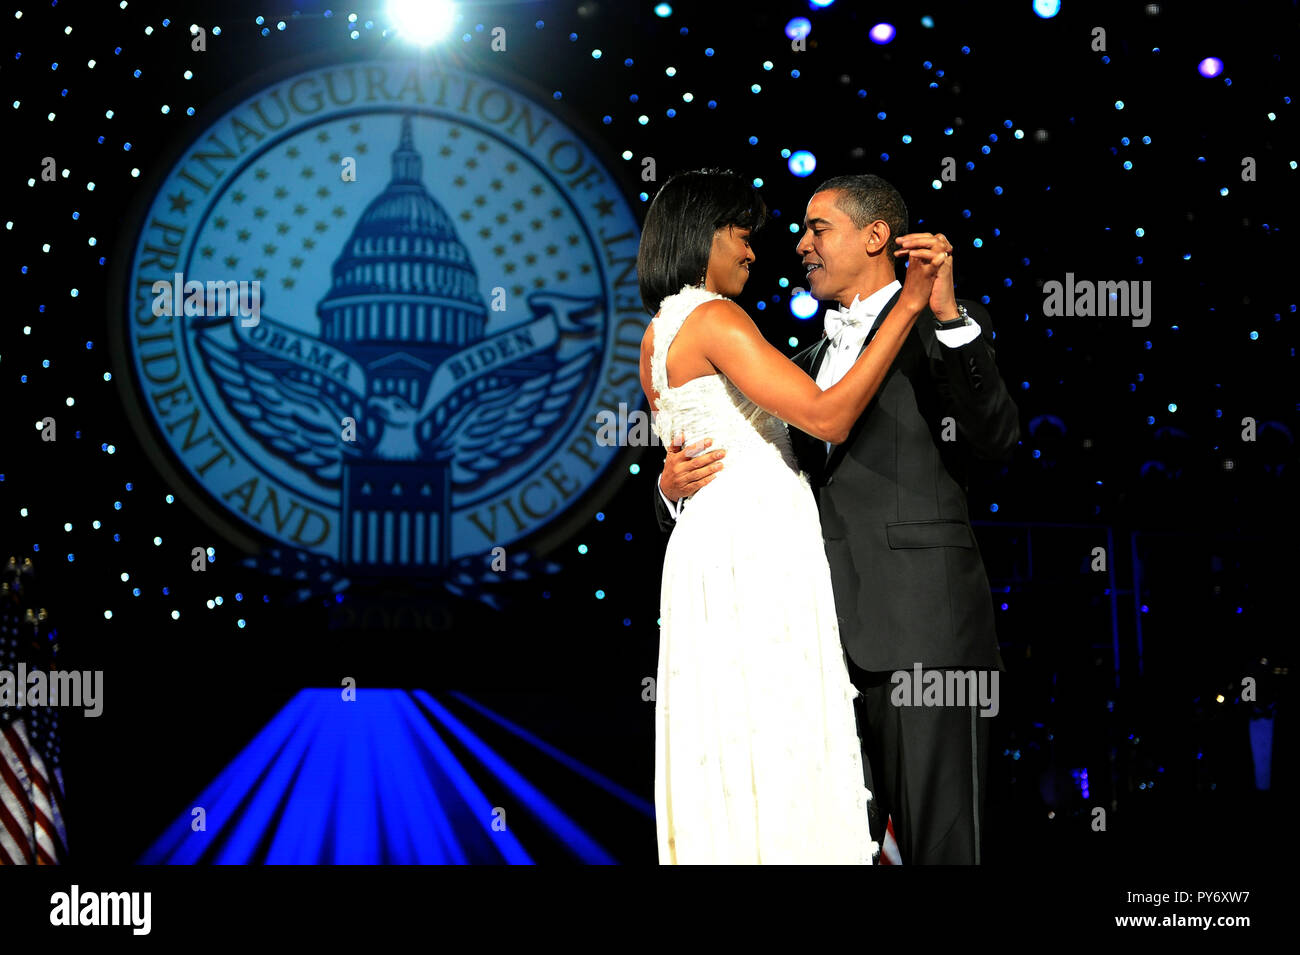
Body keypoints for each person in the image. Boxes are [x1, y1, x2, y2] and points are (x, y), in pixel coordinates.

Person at [655, 174, 1020, 864]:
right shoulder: (805, 363)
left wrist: (943, 317)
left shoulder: (941, 329)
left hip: (921, 638)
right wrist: (670, 486)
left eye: (817, 229)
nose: (798, 246)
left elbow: (997, 437)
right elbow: (741, 456)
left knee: (937, 849)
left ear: (876, 235)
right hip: (812, 651)